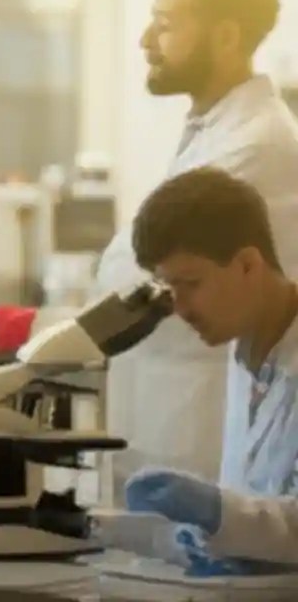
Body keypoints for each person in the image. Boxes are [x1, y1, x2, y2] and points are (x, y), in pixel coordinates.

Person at [92, 0, 298, 499]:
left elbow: (134, 282)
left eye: (165, 24)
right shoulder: (216, 131)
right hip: (162, 417)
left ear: (226, 36)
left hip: (193, 434)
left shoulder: (257, 145)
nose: (145, 40)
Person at [121, 167, 298, 568]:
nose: (179, 310)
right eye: (169, 289)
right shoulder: (246, 351)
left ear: (248, 265)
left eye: (192, 284)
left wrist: (219, 512)